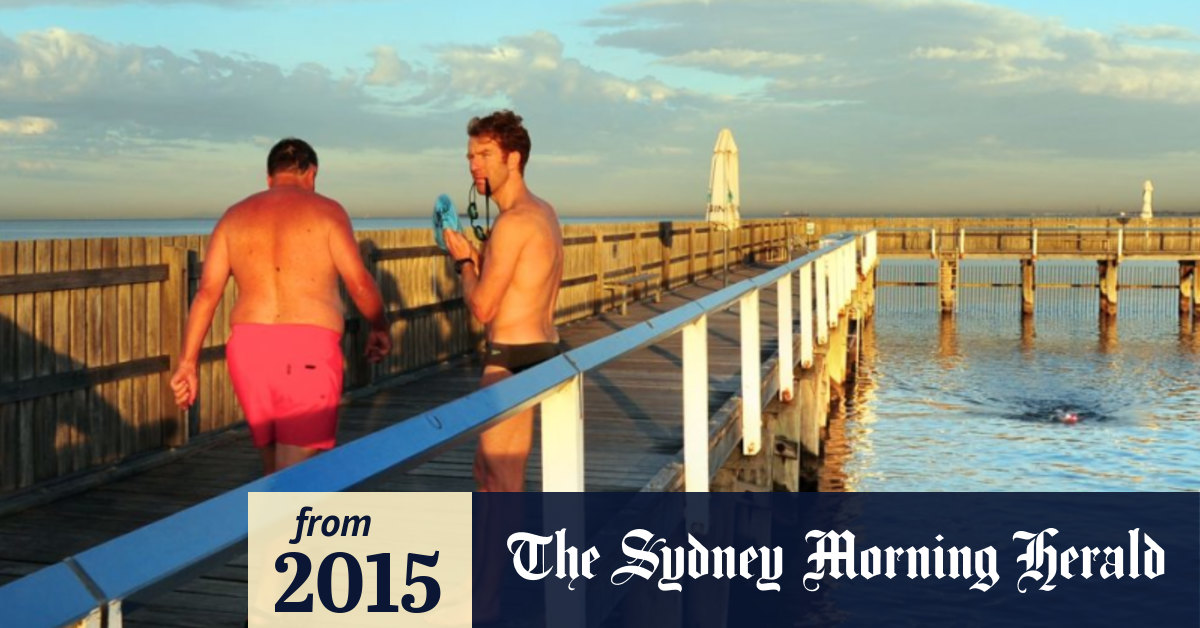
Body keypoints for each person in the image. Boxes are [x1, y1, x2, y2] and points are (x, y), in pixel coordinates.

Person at [169, 138, 390, 474]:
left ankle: (274, 527)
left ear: (269, 176)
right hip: (307, 352)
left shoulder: (235, 216)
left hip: (249, 352)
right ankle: (287, 526)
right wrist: (379, 326)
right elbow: (358, 282)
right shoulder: (327, 211)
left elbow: (207, 294)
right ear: (311, 173)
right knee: (296, 478)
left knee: (274, 471)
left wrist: (187, 363)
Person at [443, 110, 564, 492]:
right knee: (487, 473)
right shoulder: (543, 211)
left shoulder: (512, 223)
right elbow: (519, 281)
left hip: (511, 355)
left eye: (484, 155)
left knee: (500, 481)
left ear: (513, 159)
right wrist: (480, 263)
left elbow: (482, 308)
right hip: (543, 347)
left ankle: (505, 553)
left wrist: (464, 262)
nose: (474, 166)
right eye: (470, 157)